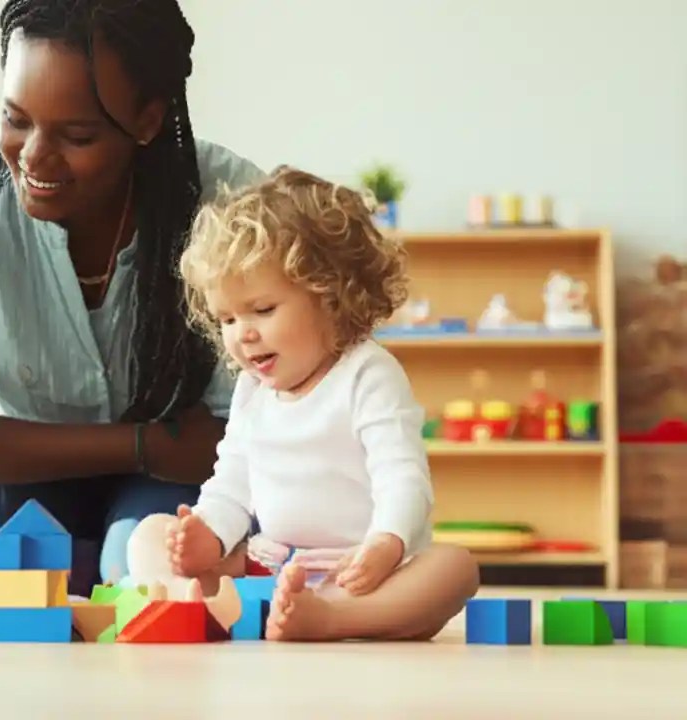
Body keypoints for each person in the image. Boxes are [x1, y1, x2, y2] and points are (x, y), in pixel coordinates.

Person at [0, 0, 263, 593]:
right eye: (15, 119)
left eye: (77, 135)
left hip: (178, 486)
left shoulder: (230, 204)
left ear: (147, 120)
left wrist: (166, 459)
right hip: (18, 473)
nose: (34, 155)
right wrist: (146, 444)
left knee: (144, 572)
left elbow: (237, 436)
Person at [164, 166, 480, 641]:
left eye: (263, 310)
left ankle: (331, 618)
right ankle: (194, 603)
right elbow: (232, 483)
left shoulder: (367, 374)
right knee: (151, 533)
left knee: (455, 568)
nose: (242, 334)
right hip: (272, 564)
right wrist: (206, 536)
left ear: (332, 297)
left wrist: (386, 543)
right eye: (226, 319)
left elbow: (402, 478)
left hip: (359, 574)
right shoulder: (253, 389)